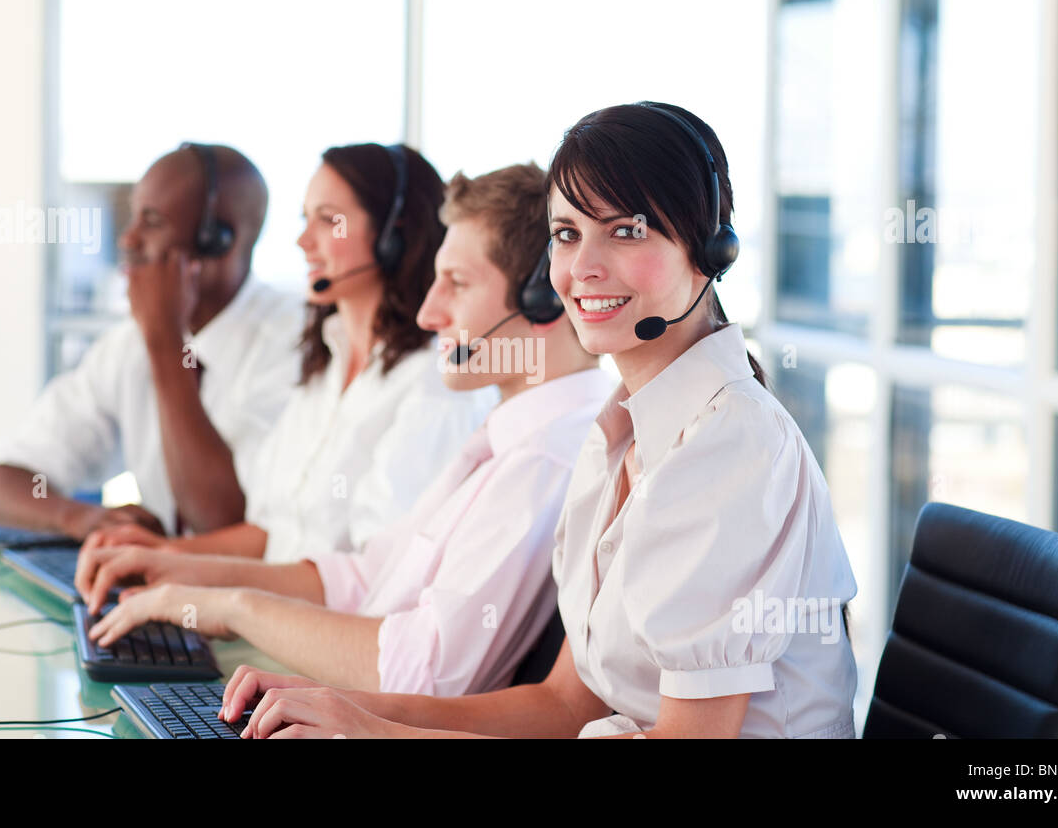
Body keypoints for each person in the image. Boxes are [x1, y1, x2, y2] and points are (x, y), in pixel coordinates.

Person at [211, 102, 860, 739]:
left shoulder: (731, 444)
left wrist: (380, 735)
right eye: (568, 234)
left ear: (710, 248)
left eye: (626, 231)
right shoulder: (616, 434)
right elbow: (562, 706)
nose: (583, 268)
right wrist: (348, 707)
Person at [74, 163, 613, 696]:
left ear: (545, 296)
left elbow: (423, 674)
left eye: (456, 284)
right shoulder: (505, 439)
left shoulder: (546, 458)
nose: (430, 313)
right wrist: (187, 576)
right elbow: (365, 576)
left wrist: (232, 608)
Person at [78, 143, 495, 563]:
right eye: (304, 219)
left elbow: (369, 582)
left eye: (329, 220)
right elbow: (269, 534)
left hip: (311, 624)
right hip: (266, 613)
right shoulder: (323, 366)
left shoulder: (433, 384)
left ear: (393, 235)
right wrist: (161, 555)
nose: (302, 240)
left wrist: (212, 593)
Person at [0, 144, 302, 539]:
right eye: (133, 216)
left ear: (218, 239)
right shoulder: (127, 345)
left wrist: (166, 343)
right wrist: (80, 518)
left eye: (152, 220)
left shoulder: (294, 344)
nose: (128, 239)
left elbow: (222, 520)